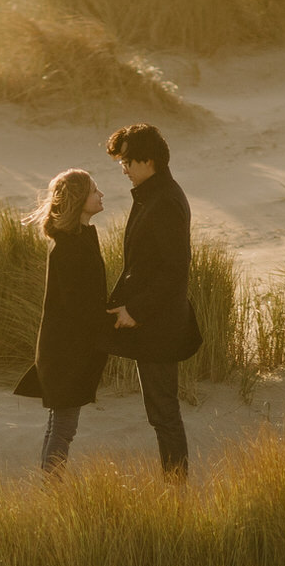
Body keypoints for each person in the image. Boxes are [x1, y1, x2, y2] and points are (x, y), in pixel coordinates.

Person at [105, 122, 201, 478]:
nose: (124, 169)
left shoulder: (165, 201)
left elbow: (175, 270)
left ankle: (176, 489)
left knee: (164, 413)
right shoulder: (152, 195)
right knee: (160, 414)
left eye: (127, 161)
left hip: (160, 325)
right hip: (149, 321)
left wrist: (136, 310)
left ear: (149, 161)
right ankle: (175, 485)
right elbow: (139, 266)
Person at [13, 168, 109, 474]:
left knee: (59, 426)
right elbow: (77, 305)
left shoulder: (79, 237)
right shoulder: (68, 245)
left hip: (68, 348)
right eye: (94, 191)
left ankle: (50, 487)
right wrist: (110, 322)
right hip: (66, 351)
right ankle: (52, 489)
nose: (101, 195)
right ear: (79, 199)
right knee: (63, 428)